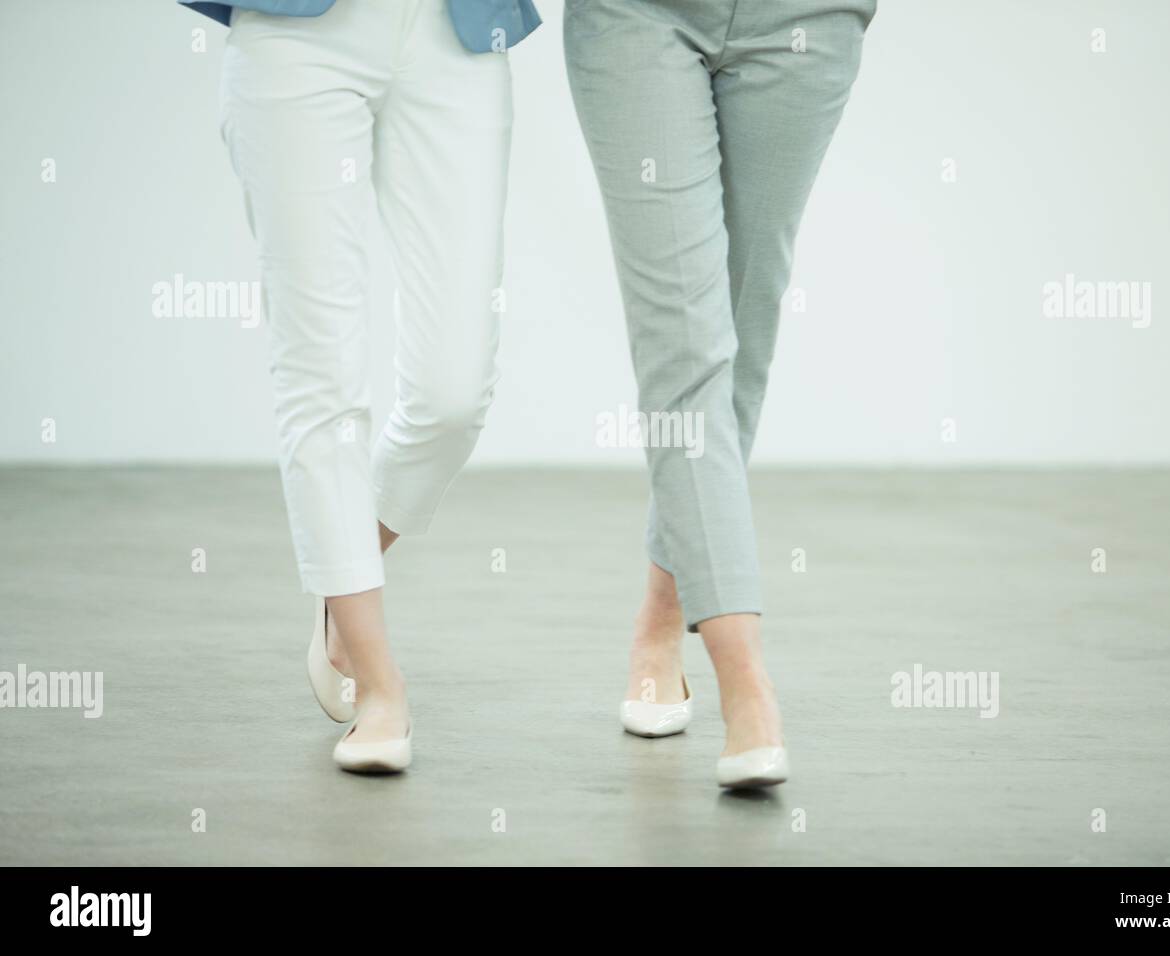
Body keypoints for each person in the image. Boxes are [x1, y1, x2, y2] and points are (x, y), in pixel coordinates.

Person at [183, 0, 541, 772]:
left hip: (458, 30)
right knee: (321, 372)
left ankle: (347, 580)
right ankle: (380, 688)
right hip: (296, 34)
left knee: (454, 389)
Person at [565, 0, 877, 788]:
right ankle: (747, 687)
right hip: (638, 14)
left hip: (808, 19)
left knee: (744, 327)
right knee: (685, 345)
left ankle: (662, 618)